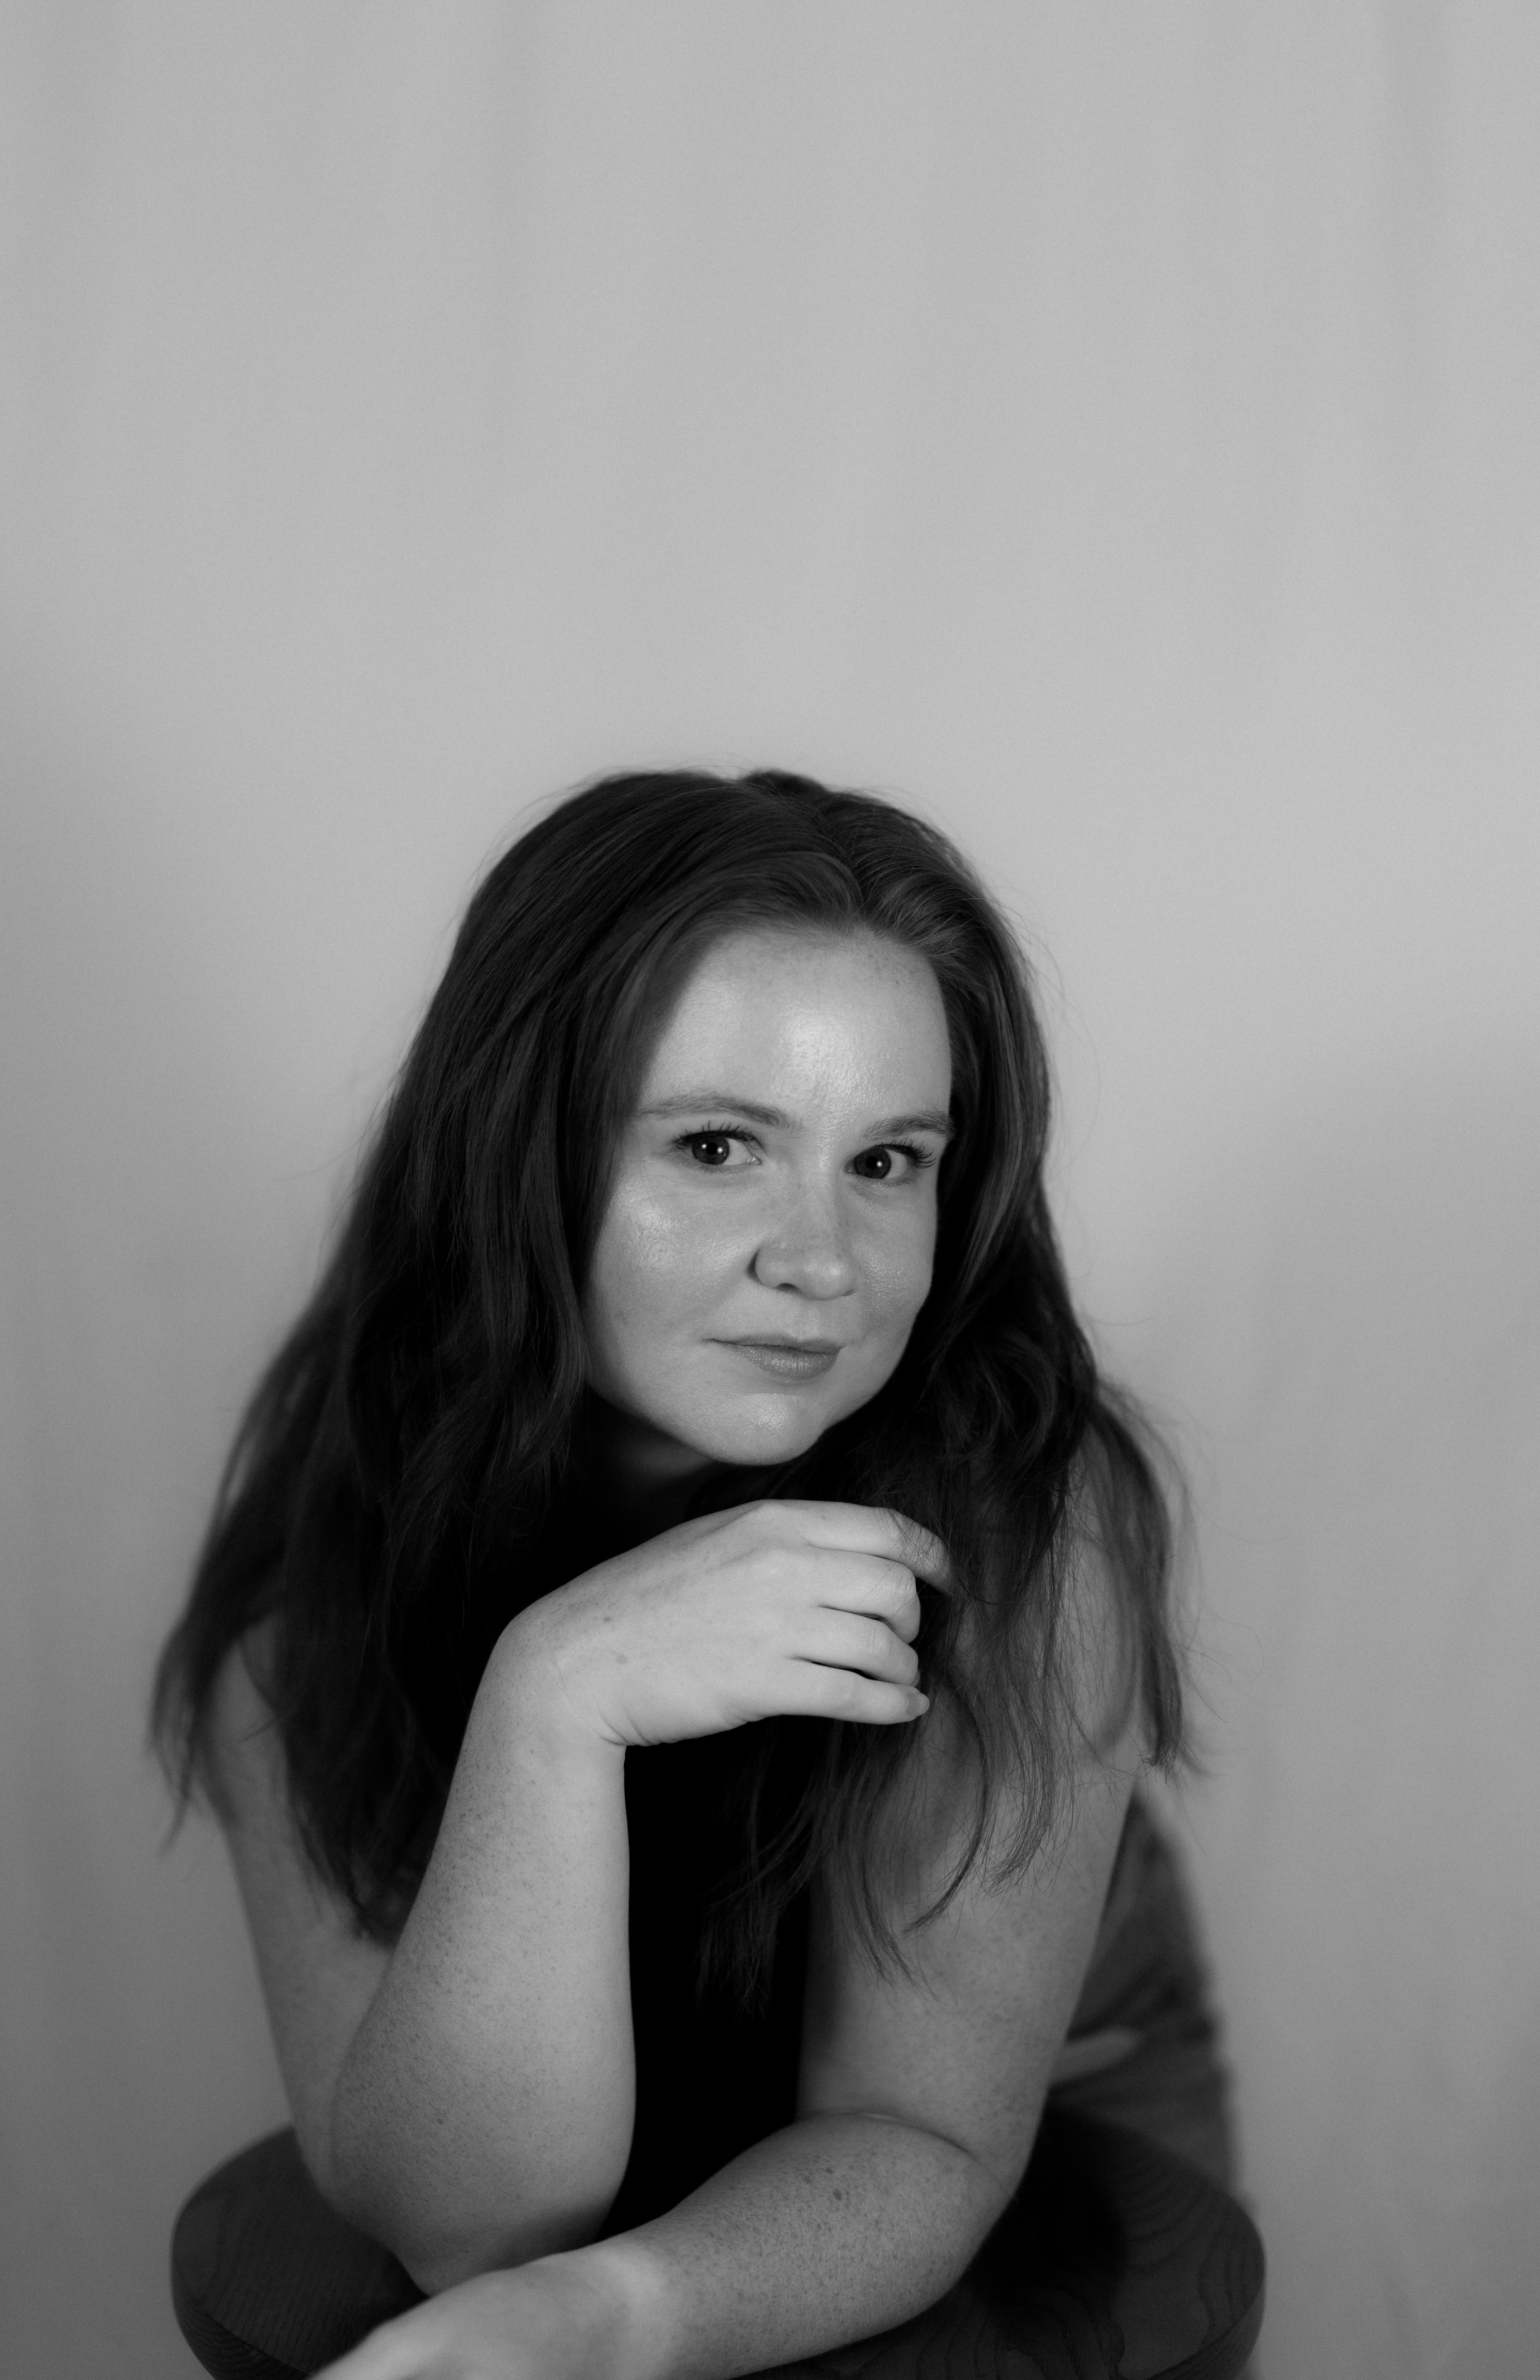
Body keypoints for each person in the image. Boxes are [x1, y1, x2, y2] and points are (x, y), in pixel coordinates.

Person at [150, 767, 1235, 2380]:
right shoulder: (313, 1599)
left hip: (1028, 2149)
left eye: (887, 1163)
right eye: (718, 1145)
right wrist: (556, 1699)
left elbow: (914, 2137)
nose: (821, 1264)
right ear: (513, 1152)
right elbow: (475, 2221)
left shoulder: (1019, 1520)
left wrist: (604, 2315)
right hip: (616, 2170)